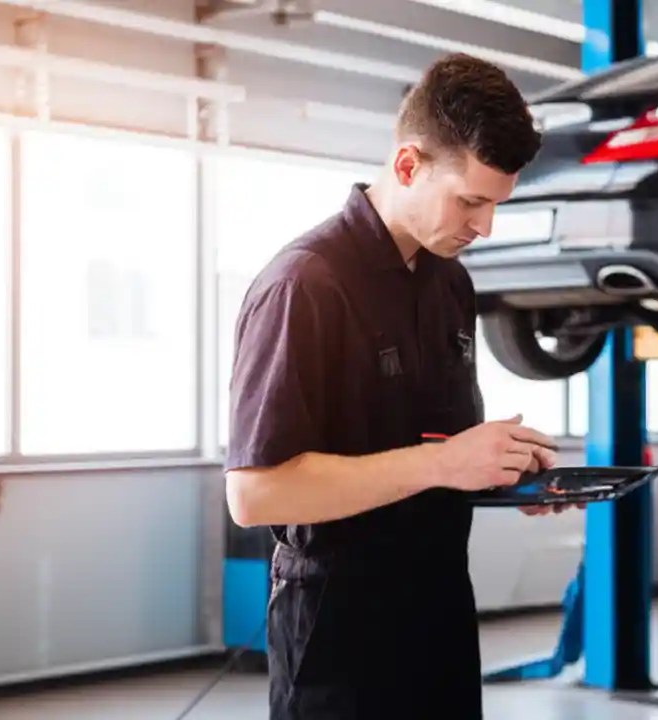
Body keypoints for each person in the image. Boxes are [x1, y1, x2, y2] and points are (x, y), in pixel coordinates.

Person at [223, 53, 564, 719]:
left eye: (496, 205)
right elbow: (255, 492)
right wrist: (443, 462)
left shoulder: (450, 282)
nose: (483, 226)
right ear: (407, 165)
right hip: (337, 636)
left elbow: (426, 445)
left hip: (439, 619)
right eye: (470, 201)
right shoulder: (305, 285)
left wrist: (499, 470)